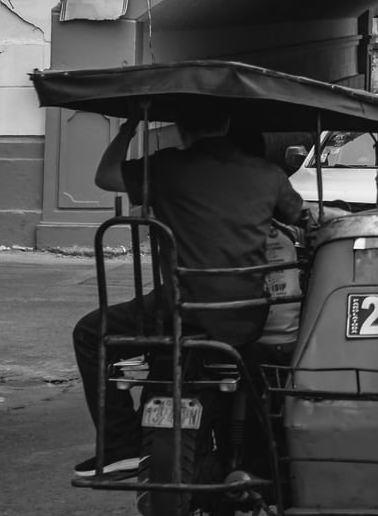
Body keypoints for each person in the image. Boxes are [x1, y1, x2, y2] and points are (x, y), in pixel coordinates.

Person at [72, 113, 303, 476]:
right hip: (246, 311)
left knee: (90, 333)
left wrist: (128, 130)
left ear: (182, 129)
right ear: (225, 125)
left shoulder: (166, 167)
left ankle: (119, 446)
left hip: (180, 307)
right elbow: (296, 214)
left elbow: (105, 177)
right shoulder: (267, 173)